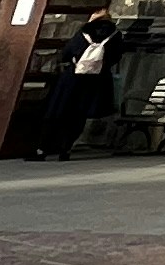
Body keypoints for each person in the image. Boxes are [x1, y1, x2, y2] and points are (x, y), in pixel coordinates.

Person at [43, 9, 119, 158]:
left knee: (60, 112)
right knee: (79, 115)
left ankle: (45, 147)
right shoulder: (115, 35)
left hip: (73, 78)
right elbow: (116, 56)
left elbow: (67, 52)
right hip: (96, 80)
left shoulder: (84, 32)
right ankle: (66, 147)